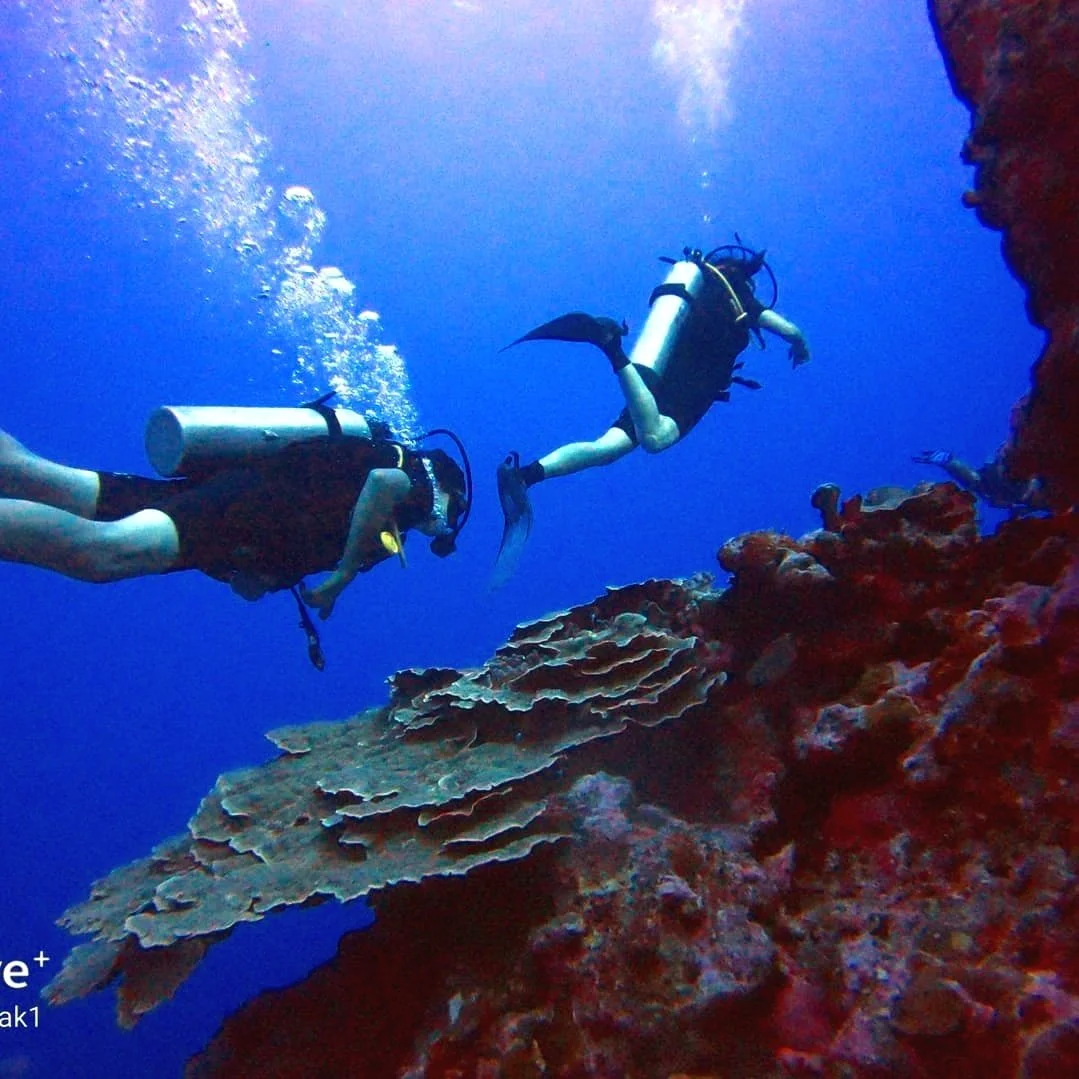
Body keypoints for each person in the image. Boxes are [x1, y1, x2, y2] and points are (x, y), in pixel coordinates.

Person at [492, 243, 810, 582]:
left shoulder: (695, 293)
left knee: (608, 447)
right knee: (655, 439)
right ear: (745, 278)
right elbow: (789, 330)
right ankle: (613, 349)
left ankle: (525, 476)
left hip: (647, 373)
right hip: (687, 386)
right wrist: (799, 343)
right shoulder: (738, 297)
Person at [0, 413, 470, 624]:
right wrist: (345, 572)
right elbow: (382, 485)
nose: (445, 526)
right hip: (237, 510)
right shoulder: (417, 481)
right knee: (102, 554)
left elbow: (312, 520)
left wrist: (262, 575)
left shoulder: (391, 516)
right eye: (456, 512)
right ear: (448, 487)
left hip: (230, 498)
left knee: (40, 479)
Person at [912, 447, 1049, 516]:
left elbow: (1022, 509)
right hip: (1008, 476)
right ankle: (945, 460)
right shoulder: (1047, 492)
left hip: (1003, 472)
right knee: (979, 484)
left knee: (978, 483)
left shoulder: (1045, 500)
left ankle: (945, 460)